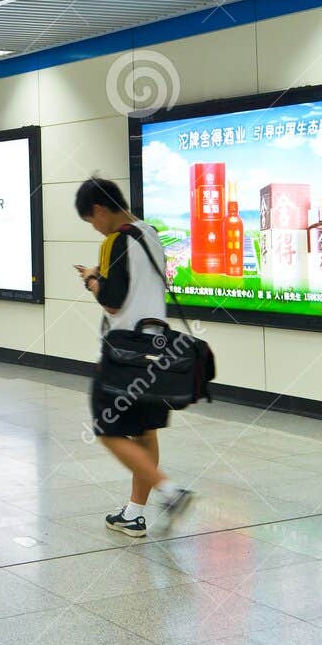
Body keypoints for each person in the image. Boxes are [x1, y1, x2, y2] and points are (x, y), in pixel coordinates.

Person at [74, 177, 193, 537]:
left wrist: (93, 279)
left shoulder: (115, 241)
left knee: (106, 428)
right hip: (158, 349)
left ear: (99, 209)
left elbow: (112, 300)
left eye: (91, 221)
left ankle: (170, 492)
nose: (95, 229)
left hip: (124, 352)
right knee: (144, 431)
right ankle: (135, 513)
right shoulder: (151, 234)